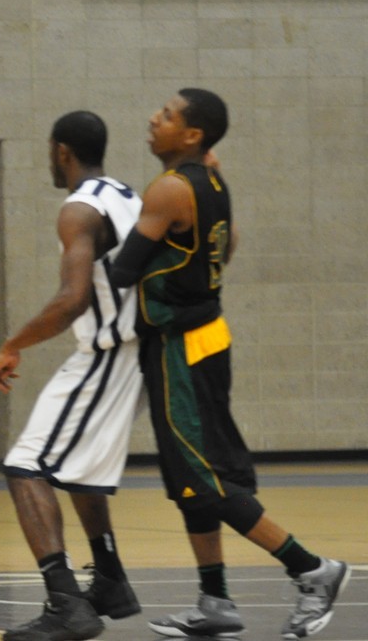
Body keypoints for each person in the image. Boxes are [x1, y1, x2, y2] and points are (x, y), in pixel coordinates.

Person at [105, 89, 349, 641]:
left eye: (168, 115)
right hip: (206, 337)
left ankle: (312, 569)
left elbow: (122, 271)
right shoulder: (213, 182)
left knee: (201, 478)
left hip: (182, 347)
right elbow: (227, 246)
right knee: (188, 482)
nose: (153, 118)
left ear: (192, 135)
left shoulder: (170, 189)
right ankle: (214, 601)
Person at [0, 111, 144, 641]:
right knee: (75, 470)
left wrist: (13, 343)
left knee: (24, 466)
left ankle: (66, 603)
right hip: (132, 351)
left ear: (61, 151)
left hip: (108, 353)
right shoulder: (125, 195)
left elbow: (73, 299)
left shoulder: (79, 208)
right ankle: (110, 580)